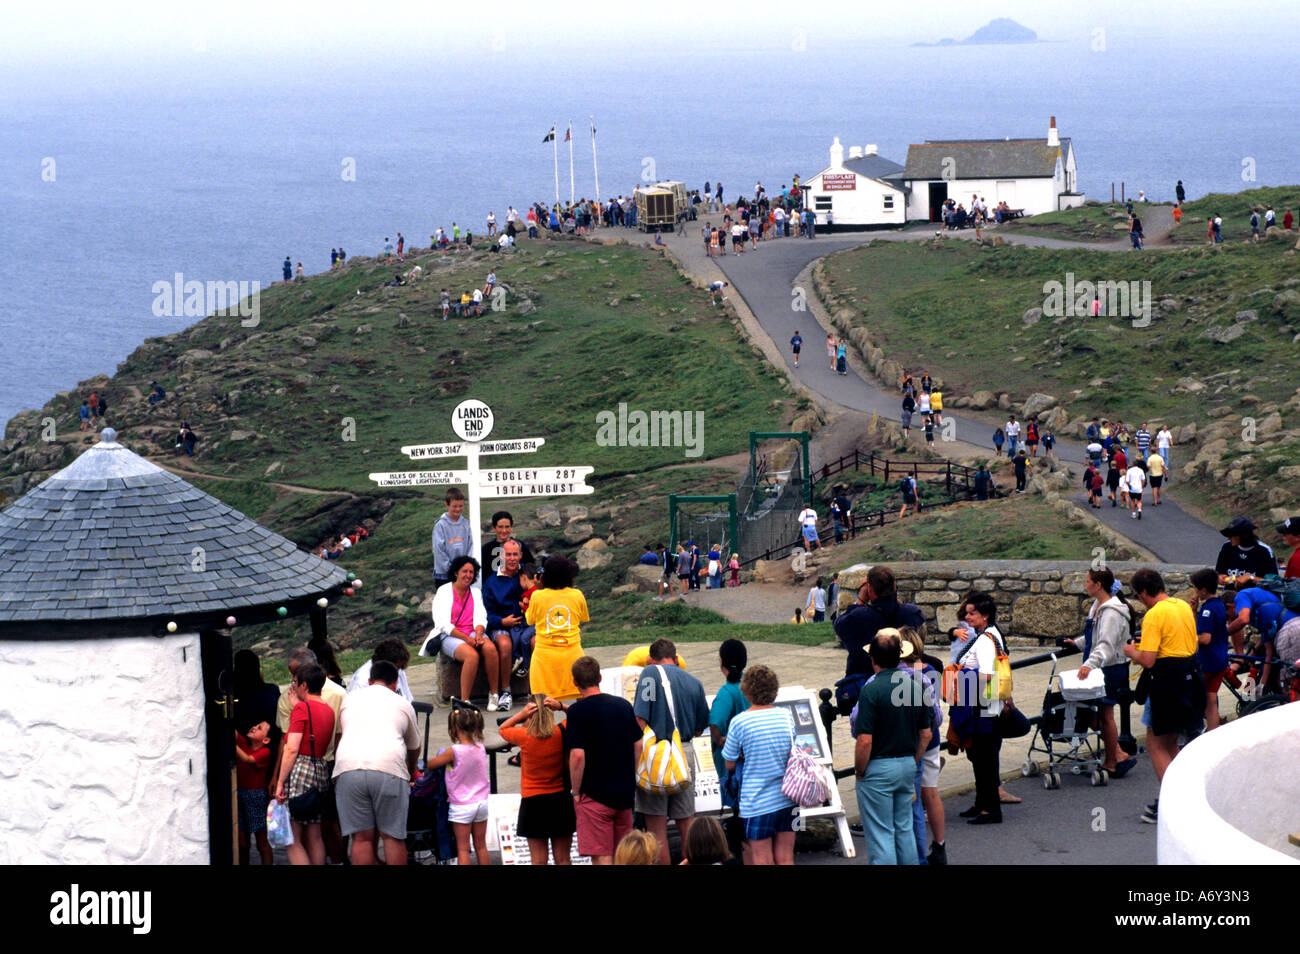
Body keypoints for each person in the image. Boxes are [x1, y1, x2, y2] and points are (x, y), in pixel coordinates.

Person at [1124, 568, 1203, 825]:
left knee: (1156, 744)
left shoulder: (1154, 614)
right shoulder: (1181, 606)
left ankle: (1173, 802)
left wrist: (1130, 651)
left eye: (1138, 595)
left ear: (1145, 592)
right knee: (1171, 743)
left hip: (1167, 679)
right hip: (1191, 674)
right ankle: (1190, 794)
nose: (1140, 600)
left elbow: (1148, 659)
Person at [331, 660, 420, 865]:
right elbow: (414, 747)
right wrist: (411, 770)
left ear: (370, 680)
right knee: (392, 837)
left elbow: (339, 737)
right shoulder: (403, 703)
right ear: (396, 683)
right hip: (389, 769)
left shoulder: (349, 700)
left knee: (361, 839)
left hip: (348, 768)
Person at [854, 632, 932, 864]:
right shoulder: (915, 686)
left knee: (881, 834)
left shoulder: (871, 690)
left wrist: (860, 770)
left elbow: (864, 741)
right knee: (904, 828)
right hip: (907, 763)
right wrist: (913, 759)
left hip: (878, 767)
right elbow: (926, 734)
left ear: (873, 659)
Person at [634, 638, 710, 866]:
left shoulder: (649, 674)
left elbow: (640, 718)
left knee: (656, 827)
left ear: (650, 659)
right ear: (676, 659)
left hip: (657, 753)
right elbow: (700, 727)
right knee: (686, 820)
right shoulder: (694, 682)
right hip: (684, 753)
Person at [566, 656, 643, 864]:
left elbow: (578, 755)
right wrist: (630, 773)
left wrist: (575, 791)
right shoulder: (623, 705)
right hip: (624, 794)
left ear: (574, 682)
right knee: (624, 855)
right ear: (600, 677)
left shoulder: (576, 712)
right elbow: (638, 744)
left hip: (594, 795)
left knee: (601, 855)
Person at [722, 664, 798, 865]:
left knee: (761, 858)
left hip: (756, 802)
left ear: (746, 691)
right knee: (786, 857)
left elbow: (729, 763)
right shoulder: (786, 716)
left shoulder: (740, 722)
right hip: (789, 796)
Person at [1073, 567, 1137, 776]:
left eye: (1088, 581)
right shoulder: (1100, 607)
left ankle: (1114, 758)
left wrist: (1088, 665)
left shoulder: (1110, 612)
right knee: (1095, 712)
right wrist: (1075, 644)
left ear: (1098, 585)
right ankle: (1115, 755)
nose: (1086, 585)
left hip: (1109, 668)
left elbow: (1106, 645)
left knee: (1105, 714)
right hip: (1105, 666)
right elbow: (1094, 639)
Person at [499, 694, 575, 864]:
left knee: (538, 860)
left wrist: (521, 714)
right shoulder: (560, 732)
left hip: (533, 802)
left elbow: (503, 729)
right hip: (560, 799)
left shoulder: (524, 736)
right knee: (563, 859)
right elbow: (579, 716)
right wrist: (561, 706)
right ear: (550, 711)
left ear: (530, 713)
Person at [951, 592, 1006, 824]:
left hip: (981, 707)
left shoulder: (985, 640)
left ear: (985, 616)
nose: (967, 616)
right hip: (987, 705)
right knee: (981, 756)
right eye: (967, 612)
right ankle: (982, 802)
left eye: (972, 613)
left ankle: (990, 808)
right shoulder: (991, 634)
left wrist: (960, 675)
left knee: (984, 758)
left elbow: (985, 675)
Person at [273, 662, 336, 865]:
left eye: (295, 682)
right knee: (314, 834)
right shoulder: (328, 710)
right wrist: (297, 707)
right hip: (320, 770)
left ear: (304, 686)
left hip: (301, 770)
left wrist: (280, 781)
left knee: (291, 838)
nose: (294, 686)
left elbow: (292, 748)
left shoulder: (301, 708)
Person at [896, 627, 947, 864]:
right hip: (932, 738)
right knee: (931, 792)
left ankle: (914, 855)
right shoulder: (930, 669)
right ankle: (939, 844)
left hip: (913, 742)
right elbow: (936, 715)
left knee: (914, 802)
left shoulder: (900, 675)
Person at [431, 555, 506, 709]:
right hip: (451, 635)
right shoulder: (443, 591)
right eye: (464, 571)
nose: (468, 575)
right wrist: (466, 639)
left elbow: (480, 616)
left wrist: (478, 634)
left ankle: (494, 695)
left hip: (472, 632)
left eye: (471, 572)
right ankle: (465, 701)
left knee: (491, 649)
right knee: (472, 656)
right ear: (456, 573)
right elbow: (442, 623)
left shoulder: (475, 592)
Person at [834, 566, 926, 682]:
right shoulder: (912, 614)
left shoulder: (857, 616)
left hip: (863, 680)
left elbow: (839, 626)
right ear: (894, 587)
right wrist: (895, 600)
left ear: (869, 589)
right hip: (906, 681)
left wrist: (860, 601)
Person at [425, 706, 490, 865]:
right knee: (481, 846)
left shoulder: (453, 751)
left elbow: (431, 764)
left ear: (454, 728)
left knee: (463, 848)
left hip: (461, 806)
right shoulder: (481, 747)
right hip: (481, 803)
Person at [526, 555, 589, 702]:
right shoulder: (577, 595)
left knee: (542, 702)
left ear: (544, 576)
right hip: (572, 653)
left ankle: (545, 725)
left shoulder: (537, 596)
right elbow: (583, 617)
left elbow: (530, 619)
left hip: (545, 657)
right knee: (582, 695)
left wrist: (539, 589)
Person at [1189, 568, 1230, 731]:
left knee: (1193, 696)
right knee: (1211, 700)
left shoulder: (1207, 610)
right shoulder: (1219, 604)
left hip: (1207, 662)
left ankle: (1192, 732)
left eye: (1195, 588)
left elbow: (1205, 637)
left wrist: (1187, 637)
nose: (1194, 591)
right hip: (1220, 660)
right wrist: (1194, 610)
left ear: (1203, 590)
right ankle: (1213, 733)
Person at [709, 639, 749, 804]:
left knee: (735, 802)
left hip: (732, 760)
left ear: (721, 662)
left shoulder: (726, 692)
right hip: (751, 755)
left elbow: (716, 720)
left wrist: (719, 740)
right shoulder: (749, 687)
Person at [235, 715, 274, 866]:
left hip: (256, 797)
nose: (254, 727)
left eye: (259, 728)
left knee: (262, 842)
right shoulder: (244, 743)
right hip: (241, 794)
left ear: (266, 740)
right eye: (255, 725)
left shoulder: (265, 752)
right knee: (242, 843)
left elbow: (247, 759)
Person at [347, 638, 414, 703]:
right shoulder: (361, 681)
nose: (398, 672)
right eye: (397, 668)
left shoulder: (399, 670)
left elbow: (409, 700)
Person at [1215, 517, 1277, 585]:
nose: (1228, 538)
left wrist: (1251, 578)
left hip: (1254, 594)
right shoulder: (1226, 547)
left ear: (1243, 536)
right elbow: (1219, 572)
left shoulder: (1264, 551)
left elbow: (1273, 582)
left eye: (1231, 535)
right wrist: (1220, 577)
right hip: (1230, 593)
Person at [431, 487, 472, 589]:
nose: (458, 509)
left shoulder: (467, 524)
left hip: (463, 575)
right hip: (444, 575)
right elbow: (439, 550)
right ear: (447, 505)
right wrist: (453, 570)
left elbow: (470, 547)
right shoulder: (440, 525)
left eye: (460, 506)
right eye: (454, 506)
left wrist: (464, 569)